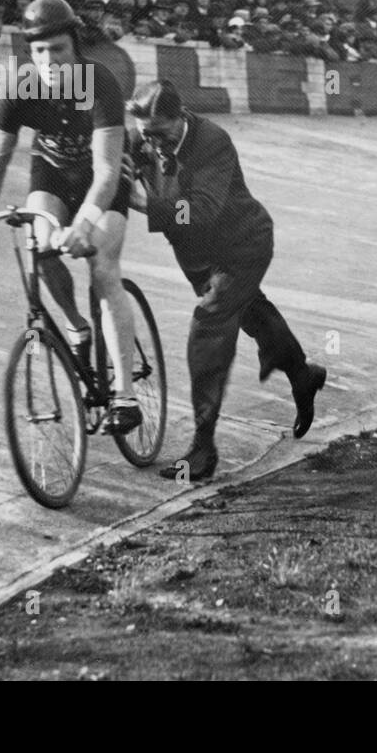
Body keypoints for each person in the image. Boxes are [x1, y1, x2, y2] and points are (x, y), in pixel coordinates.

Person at [0, 0, 142, 436]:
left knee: (103, 265)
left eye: (58, 50)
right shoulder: (18, 86)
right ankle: (75, 325)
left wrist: (86, 223)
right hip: (52, 173)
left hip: (102, 180)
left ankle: (126, 397)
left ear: (75, 45)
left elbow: (108, 172)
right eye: (38, 51)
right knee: (40, 247)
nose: (48, 60)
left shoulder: (99, 81)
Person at [125, 80, 326, 482]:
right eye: (147, 136)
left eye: (162, 134)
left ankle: (203, 449)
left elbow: (201, 211)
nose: (154, 145)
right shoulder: (140, 137)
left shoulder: (212, 142)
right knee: (250, 313)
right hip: (197, 258)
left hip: (242, 246)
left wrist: (145, 204)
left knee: (210, 323)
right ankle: (303, 375)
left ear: (180, 119)